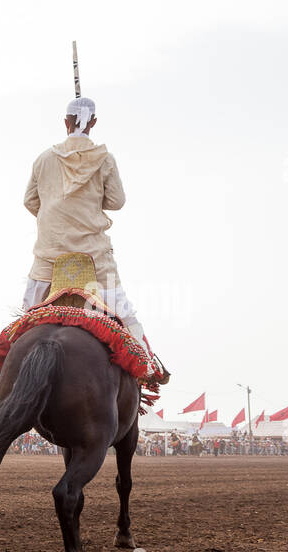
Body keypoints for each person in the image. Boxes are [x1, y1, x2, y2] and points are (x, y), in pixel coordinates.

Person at [22, 95, 168, 386]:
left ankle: (7, 378)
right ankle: (147, 366)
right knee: (127, 316)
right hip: (94, 261)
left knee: (23, 320)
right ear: (94, 122)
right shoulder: (104, 158)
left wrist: (56, 216)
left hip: (48, 260)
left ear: (65, 122)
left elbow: (30, 201)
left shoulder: (44, 158)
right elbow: (117, 201)